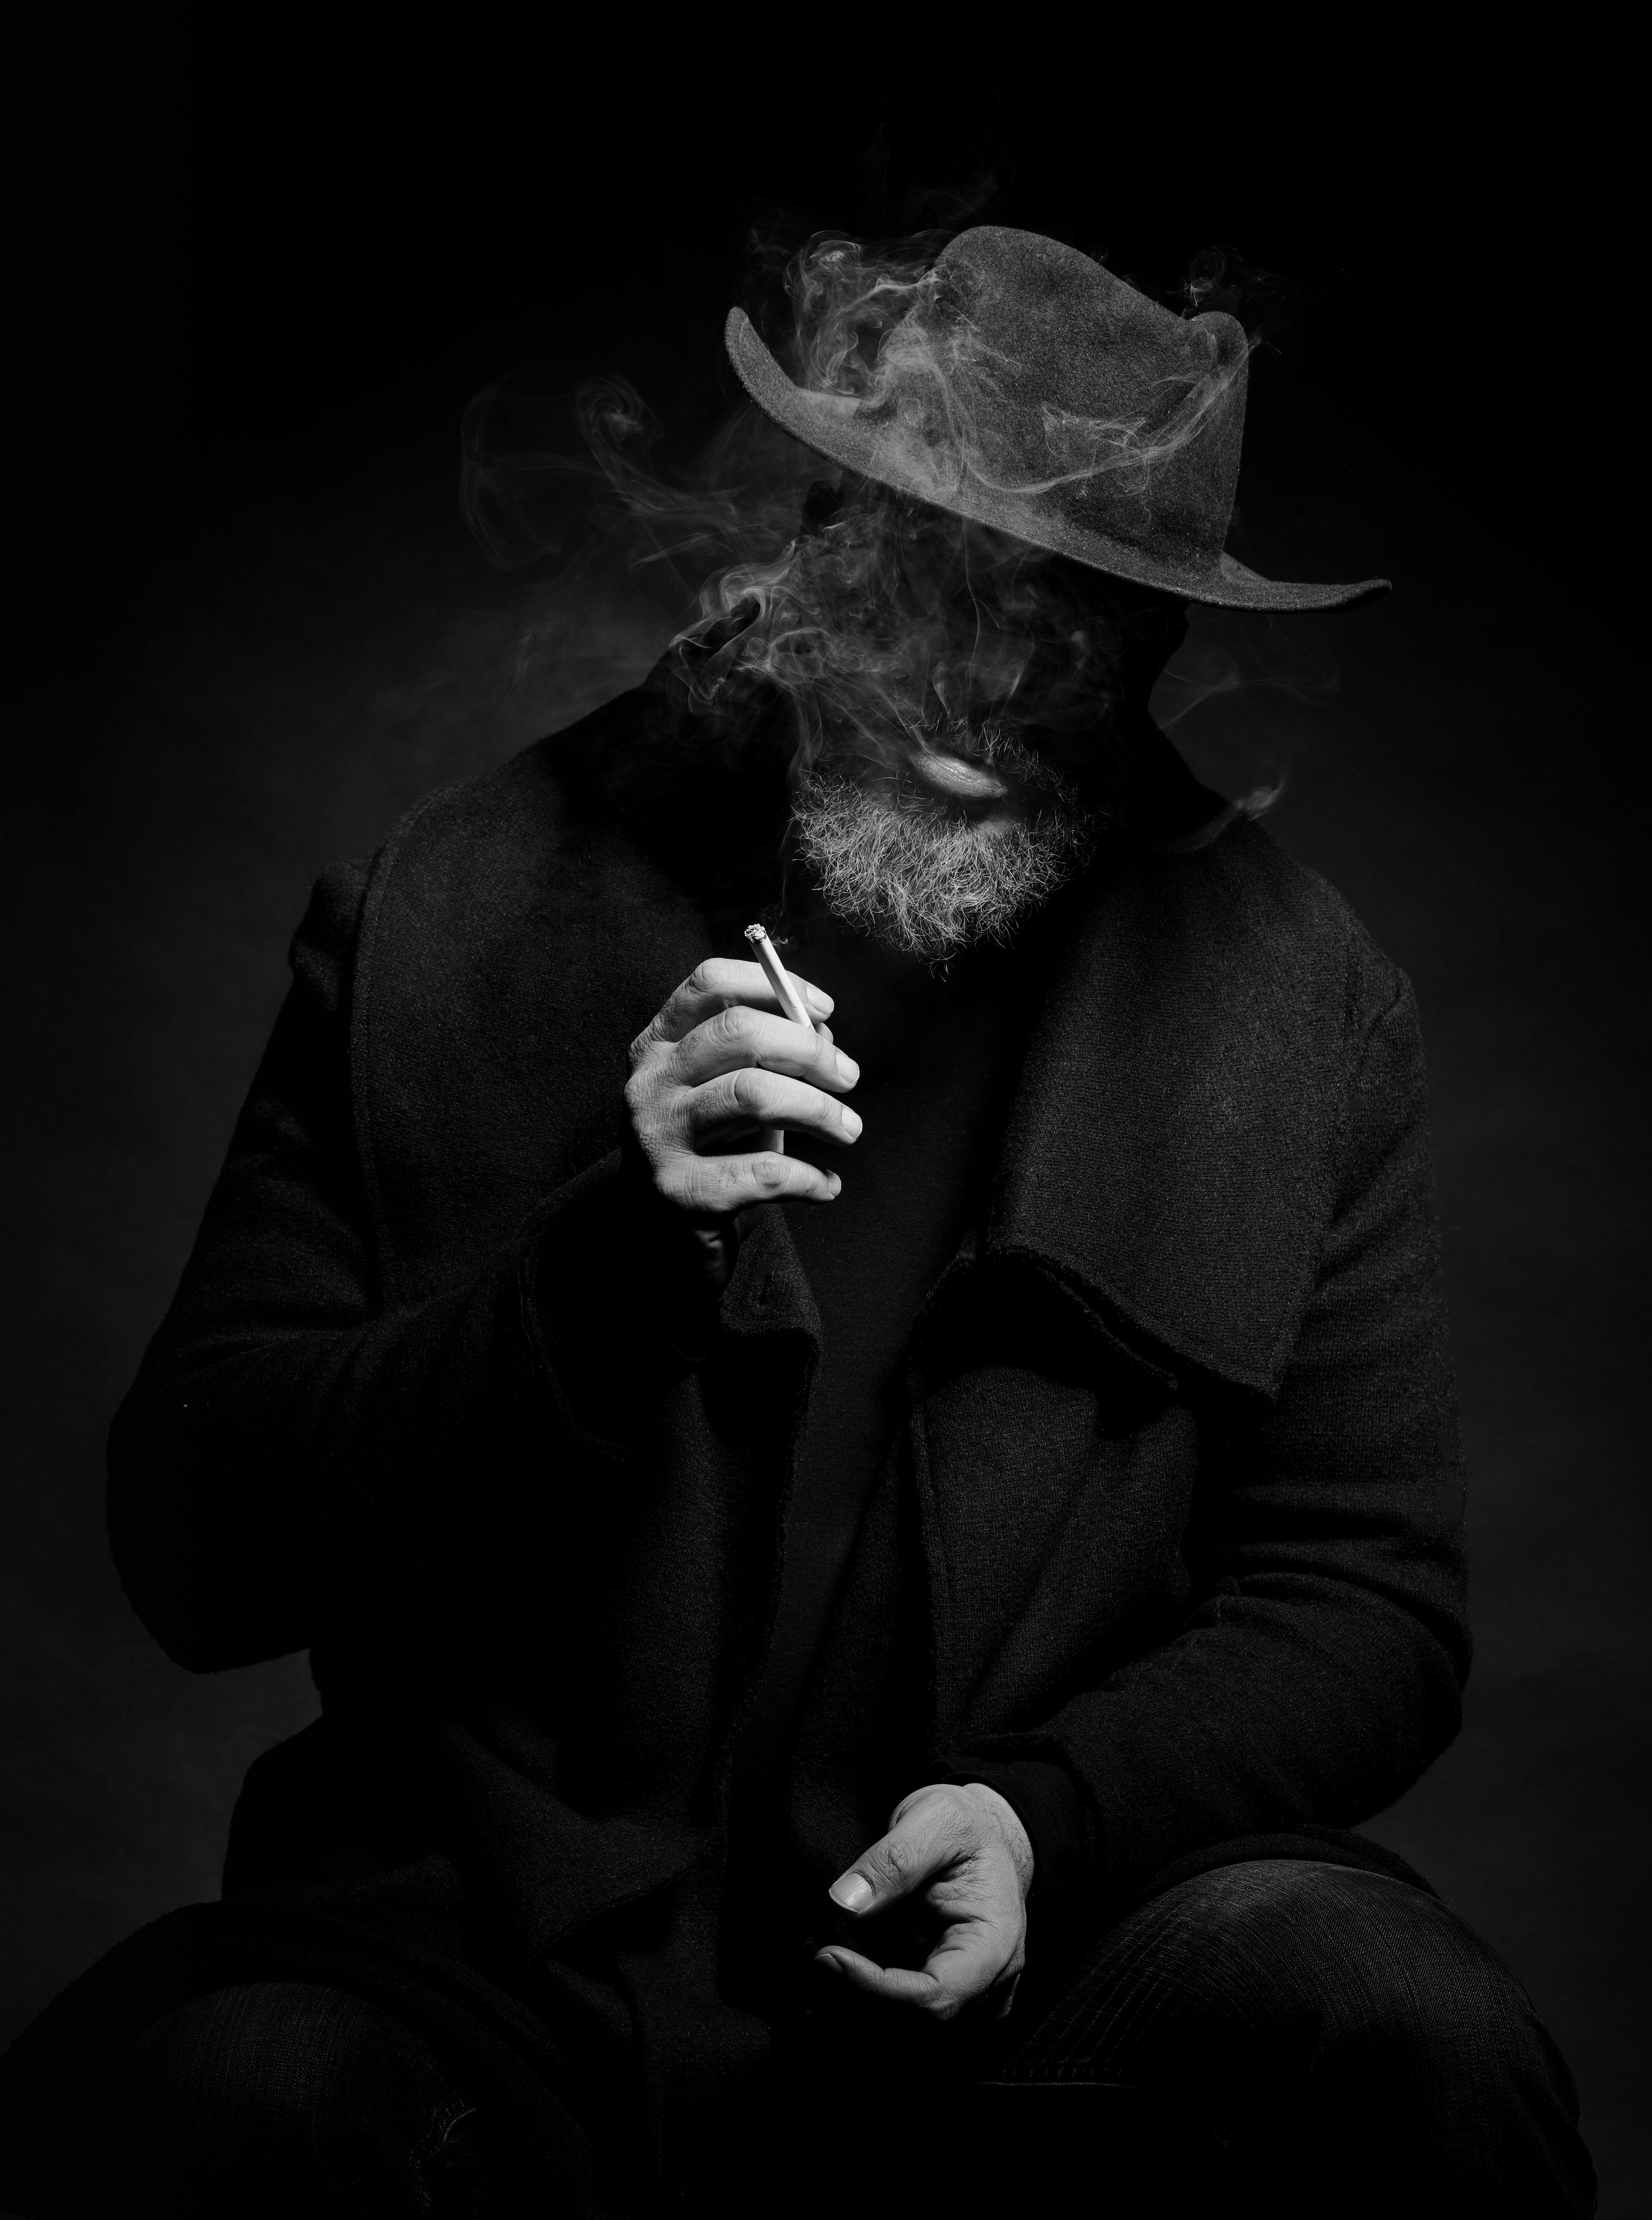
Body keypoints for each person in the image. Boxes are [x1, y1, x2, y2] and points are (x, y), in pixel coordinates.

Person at [0, 226, 1596, 2216]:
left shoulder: (1301, 1000)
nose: (1007, 681)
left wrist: (1047, 1819)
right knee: (218, 2112)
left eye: (1093, 619)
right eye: (957, 583)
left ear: (1176, 636)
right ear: (826, 540)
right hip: (487, 1976)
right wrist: (591, 1274)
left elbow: (1367, 1599)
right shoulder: (457, 899)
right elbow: (194, 1538)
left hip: (1034, 1985)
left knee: (1393, 2035)